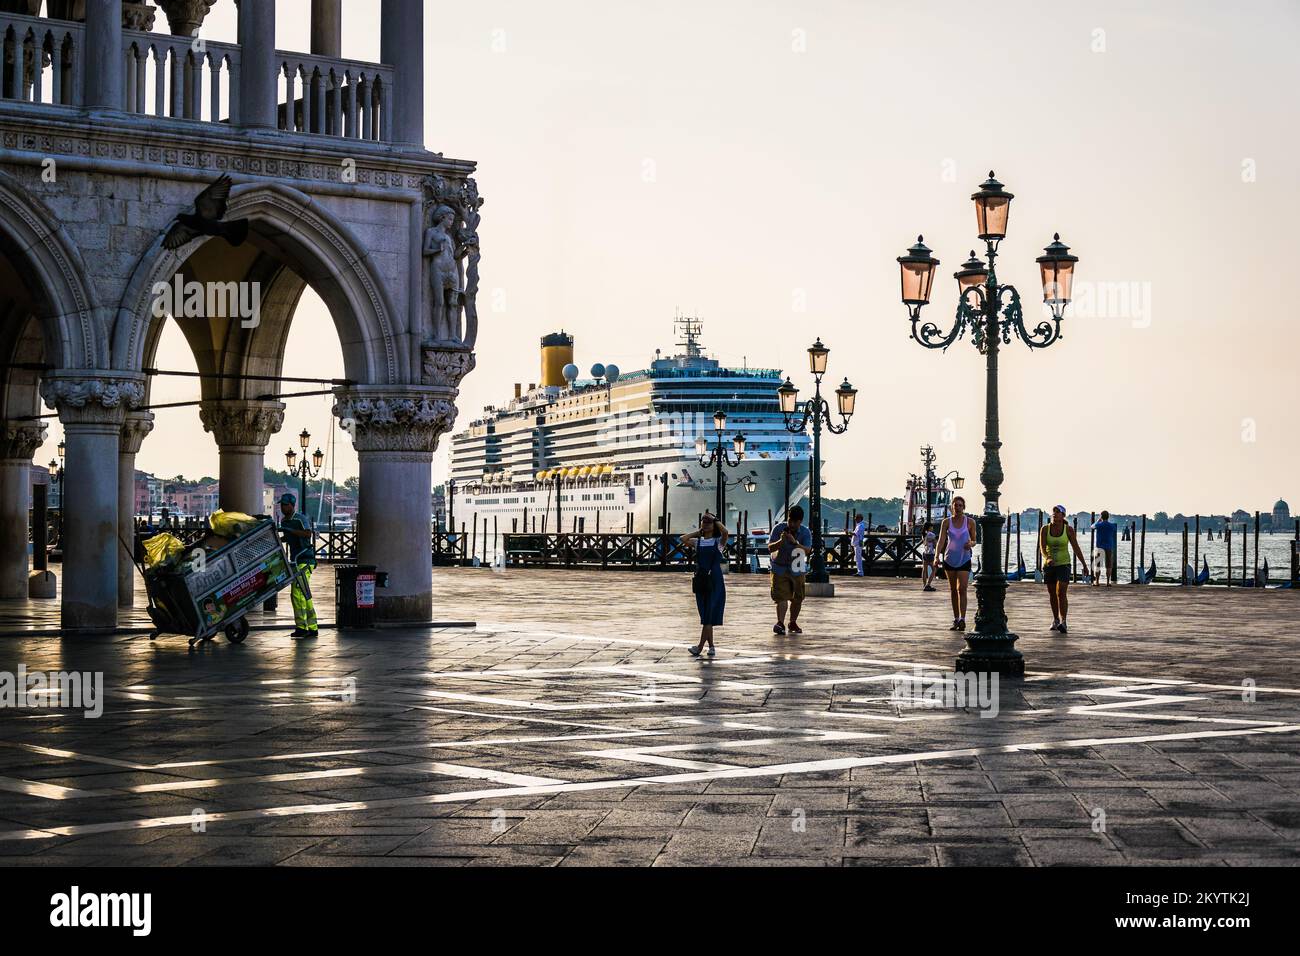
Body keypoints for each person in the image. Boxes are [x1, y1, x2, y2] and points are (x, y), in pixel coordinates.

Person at [1039, 504, 1091, 633]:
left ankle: (1064, 621)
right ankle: (1055, 619)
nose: (1055, 514)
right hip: (1049, 565)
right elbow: (1042, 548)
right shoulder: (1045, 529)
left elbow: (1076, 547)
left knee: (1061, 592)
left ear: (1063, 515)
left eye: (1058, 512)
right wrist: (1047, 558)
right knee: (1052, 594)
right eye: (1054, 512)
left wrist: (1084, 565)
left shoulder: (1068, 530)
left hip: (1064, 564)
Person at [682, 513, 728, 658]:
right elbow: (683, 539)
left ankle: (700, 647)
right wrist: (699, 532)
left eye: (708, 523)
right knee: (705, 613)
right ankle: (712, 646)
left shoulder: (718, 542)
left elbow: (725, 532)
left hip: (714, 579)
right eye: (704, 522)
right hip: (701, 579)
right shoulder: (698, 542)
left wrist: (716, 520)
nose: (706, 524)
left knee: (709, 614)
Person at [278, 493, 318, 640]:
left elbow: (308, 534)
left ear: (291, 505)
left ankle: (302, 627)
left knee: (297, 593)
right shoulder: (283, 521)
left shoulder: (300, 519)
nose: (282, 507)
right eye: (281, 504)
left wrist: (291, 531)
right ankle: (312, 627)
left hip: (305, 559)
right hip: (295, 559)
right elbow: (287, 538)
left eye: (284, 504)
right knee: (305, 594)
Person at [768, 505, 813, 635]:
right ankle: (780, 623)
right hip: (779, 566)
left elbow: (808, 550)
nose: (791, 524)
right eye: (789, 521)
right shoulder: (778, 529)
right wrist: (780, 541)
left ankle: (792, 622)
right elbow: (770, 548)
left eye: (794, 522)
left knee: (797, 597)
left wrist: (795, 543)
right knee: (781, 596)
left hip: (797, 566)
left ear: (800, 521)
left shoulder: (805, 532)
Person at [934, 496, 977, 630]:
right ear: (951, 507)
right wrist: (936, 557)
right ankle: (956, 619)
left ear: (963, 507)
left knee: (962, 589)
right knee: (953, 590)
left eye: (960, 505)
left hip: (964, 558)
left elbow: (975, 540)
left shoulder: (970, 522)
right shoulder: (946, 522)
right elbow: (941, 540)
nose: (958, 508)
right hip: (949, 558)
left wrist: (970, 543)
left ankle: (963, 619)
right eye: (955, 505)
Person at [1092, 510, 1118, 587]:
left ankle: (1097, 581)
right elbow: (1114, 530)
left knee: (1098, 565)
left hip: (1099, 546)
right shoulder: (1111, 526)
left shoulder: (1099, 525)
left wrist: (1097, 521)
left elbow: (1092, 526)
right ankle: (1108, 582)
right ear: (1108, 517)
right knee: (1109, 565)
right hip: (1109, 546)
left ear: (1101, 516)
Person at [921, 521, 938, 592]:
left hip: (925, 553)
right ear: (929, 527)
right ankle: (928, 585)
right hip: (930, 554)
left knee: (924, 570)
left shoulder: (924, 535)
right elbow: (936, 544)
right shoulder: (931, 534)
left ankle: (924, 585)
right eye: (931, 526)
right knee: (934, 569)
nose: (933, 528)